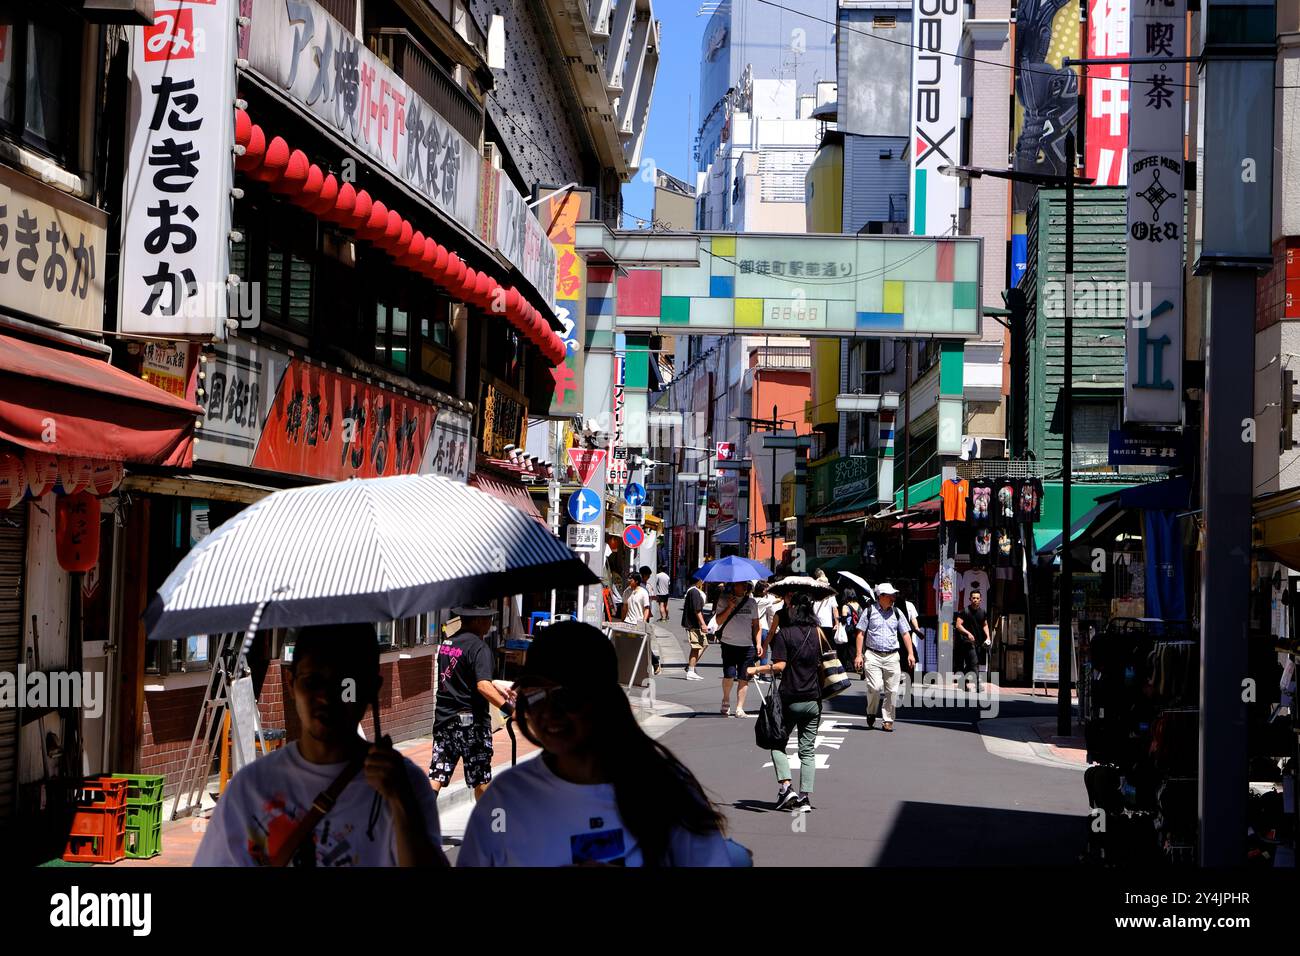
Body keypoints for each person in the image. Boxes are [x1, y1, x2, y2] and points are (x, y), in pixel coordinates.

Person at [457, 622, 731, 865]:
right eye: (536, 695)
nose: (550, 712)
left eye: (568, 697)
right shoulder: (505, 798)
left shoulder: (665, 791)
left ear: (603, 701)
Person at [194, 622, 444, 866]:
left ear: (371, 688)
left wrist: (401, 803)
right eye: (312, 681)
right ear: (291, 684)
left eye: (345, 684)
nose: (325, 697)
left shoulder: (406, 786)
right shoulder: (249, 789)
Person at [748, 592, 822, 812]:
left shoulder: (785, 634)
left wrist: (756, 669)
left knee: (777, 742)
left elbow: (779, 666)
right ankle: (805, 798)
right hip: (814, 699)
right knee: (807, 750)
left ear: (794, 610)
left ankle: (786, 787)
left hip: (790, 697)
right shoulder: (818, 633)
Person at [429, 605, 512, 800]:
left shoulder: (448, 643)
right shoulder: (479, 647)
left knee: (437, 772)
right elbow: (482, 686)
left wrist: (495, 686)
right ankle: (487, 825)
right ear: (476, 621)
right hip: (472, 724)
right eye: (487, 619)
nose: (489, 623)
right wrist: (509, 709)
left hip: (445, 719)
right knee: (481, 778)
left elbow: (463, 678)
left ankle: (421, 819)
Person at [853, 583, 914, 732]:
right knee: (874, 687)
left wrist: (911, 653)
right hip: (872, 655)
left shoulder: (897, 612)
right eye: (890, 595)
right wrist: (859, 655)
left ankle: (888, 720)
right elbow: (860, 633)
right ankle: (871, 712)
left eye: (894, 595)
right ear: (881, 597)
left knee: (892, 691)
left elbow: (905, 633)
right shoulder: (869, 611)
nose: (893, 598)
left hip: (892, 655)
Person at [712, 581, 761, 717]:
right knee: (729, 675)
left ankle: (739, 708)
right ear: (734, 586)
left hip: (747, 646)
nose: (745, 586)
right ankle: (726, 699)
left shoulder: (752, 602)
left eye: (746, 584)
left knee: (744, 677)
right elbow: (718, 621)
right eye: (741, 584)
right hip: (729, 643)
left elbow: (756, 625)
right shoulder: (724, 599)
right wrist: (729, 607)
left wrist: (758, 643)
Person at [955, 588, 992, 690]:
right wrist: (968, 633)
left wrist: (988, 637)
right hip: (966, 642)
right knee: (974, 662)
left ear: (981, 600)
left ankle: (962, 682)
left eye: (977, 598)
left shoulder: (982, 612)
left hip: (978, 642)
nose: (975, 600)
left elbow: (985, 625)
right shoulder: (964, 611)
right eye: (973, 598)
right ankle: (977, 685)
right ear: (970, 599)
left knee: (970, 664)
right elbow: (958, 625)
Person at [682, 574, 708, 680]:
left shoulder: (693, 591)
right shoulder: (694, 592)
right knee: (696, 647)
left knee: (703, 645)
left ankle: (690, 667)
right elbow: (697, 610)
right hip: (694, 624)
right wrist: (703, 623)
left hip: (694, 623)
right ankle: (691, 670)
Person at [753, 581, 782, 677]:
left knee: (753, 650)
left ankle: (746, 668)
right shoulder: (763, 601)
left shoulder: (751, 600)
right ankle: (762, 675)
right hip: (763, 628)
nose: (767, 591)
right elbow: (777, 600)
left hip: (752, 627)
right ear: (762, 590)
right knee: (764, 651)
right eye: (765, 589)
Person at [838, 587, 864, 673]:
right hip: (858, 629)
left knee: (847, 648)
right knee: (855, 647)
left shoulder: (845, 606)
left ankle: (849, 666)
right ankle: (857, 665)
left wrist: (839, 619)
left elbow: (844, 619)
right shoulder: (859, 605)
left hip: (849, 630)